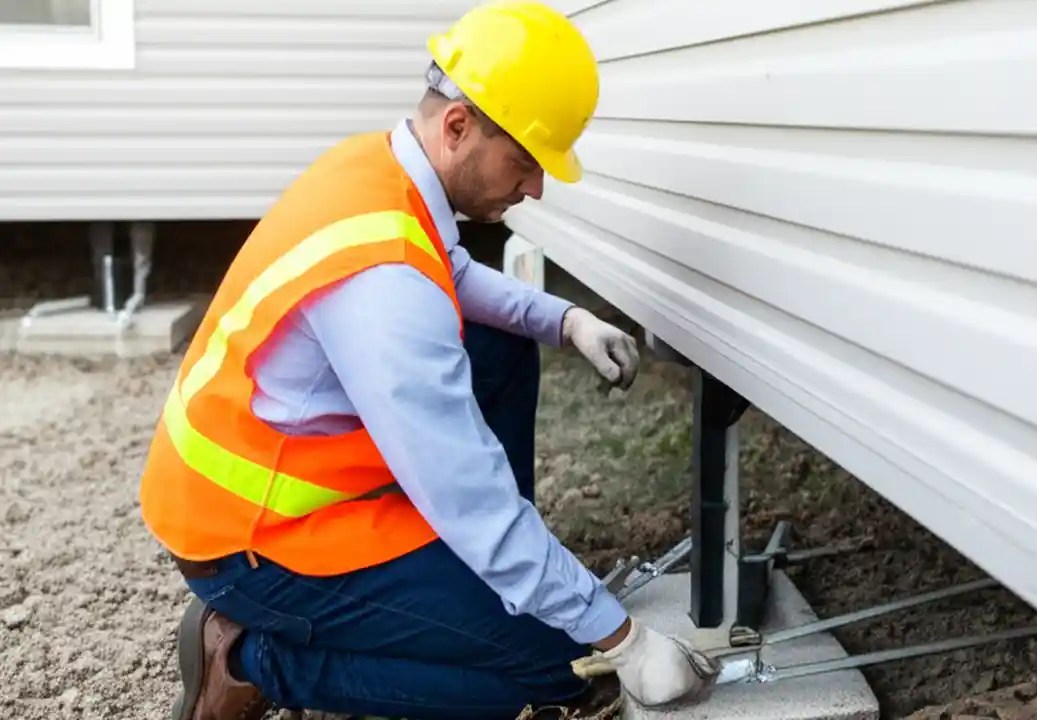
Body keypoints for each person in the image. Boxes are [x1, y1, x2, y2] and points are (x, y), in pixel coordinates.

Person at [136, 2, 718, 719]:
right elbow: (467, 494)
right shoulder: (384, 288)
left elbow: (451, 271)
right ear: (458, 127)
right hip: (253, 542)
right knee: (560, 669)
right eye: (526, 161)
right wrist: (625, 642)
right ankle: (253, 660)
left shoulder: (378, 167)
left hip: (274, 482)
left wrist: (564, 321)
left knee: (502, 345)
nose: (537, 187)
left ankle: (504, 577)